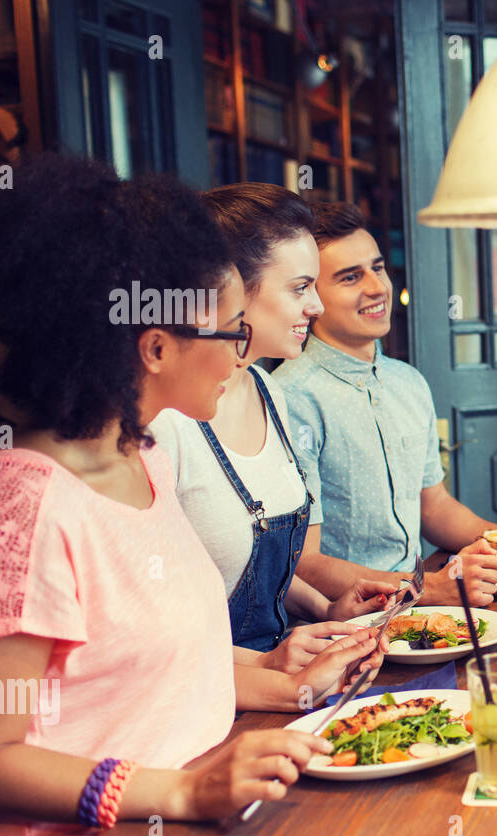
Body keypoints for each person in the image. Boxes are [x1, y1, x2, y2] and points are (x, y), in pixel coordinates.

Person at [0, 156, 384, 836]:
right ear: (155, 347)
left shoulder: (144, 457)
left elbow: (140, 672)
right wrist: (180, 790)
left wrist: (283, 677)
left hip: (186, 829)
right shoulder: (18, 507)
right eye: (229, 336)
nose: (239, 357)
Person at [150, 184, 402, 664]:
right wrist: (266, 667)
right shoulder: (164, 425)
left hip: (287, 670)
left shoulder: (271, 394)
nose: (317, 306)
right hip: (209, 695)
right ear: (230, 289)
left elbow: (255, 565)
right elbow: (147, 633)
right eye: (300, 287)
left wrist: (328, 607)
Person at [273, 202, 497, 606]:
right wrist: (428, 589)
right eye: (350, 277)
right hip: (346, 625)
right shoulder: (290, 398)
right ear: (311, 294)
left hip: (423, 609)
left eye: (377, 268)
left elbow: (433, 506)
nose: (377, 287)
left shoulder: (409, 382)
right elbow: (302, 563)